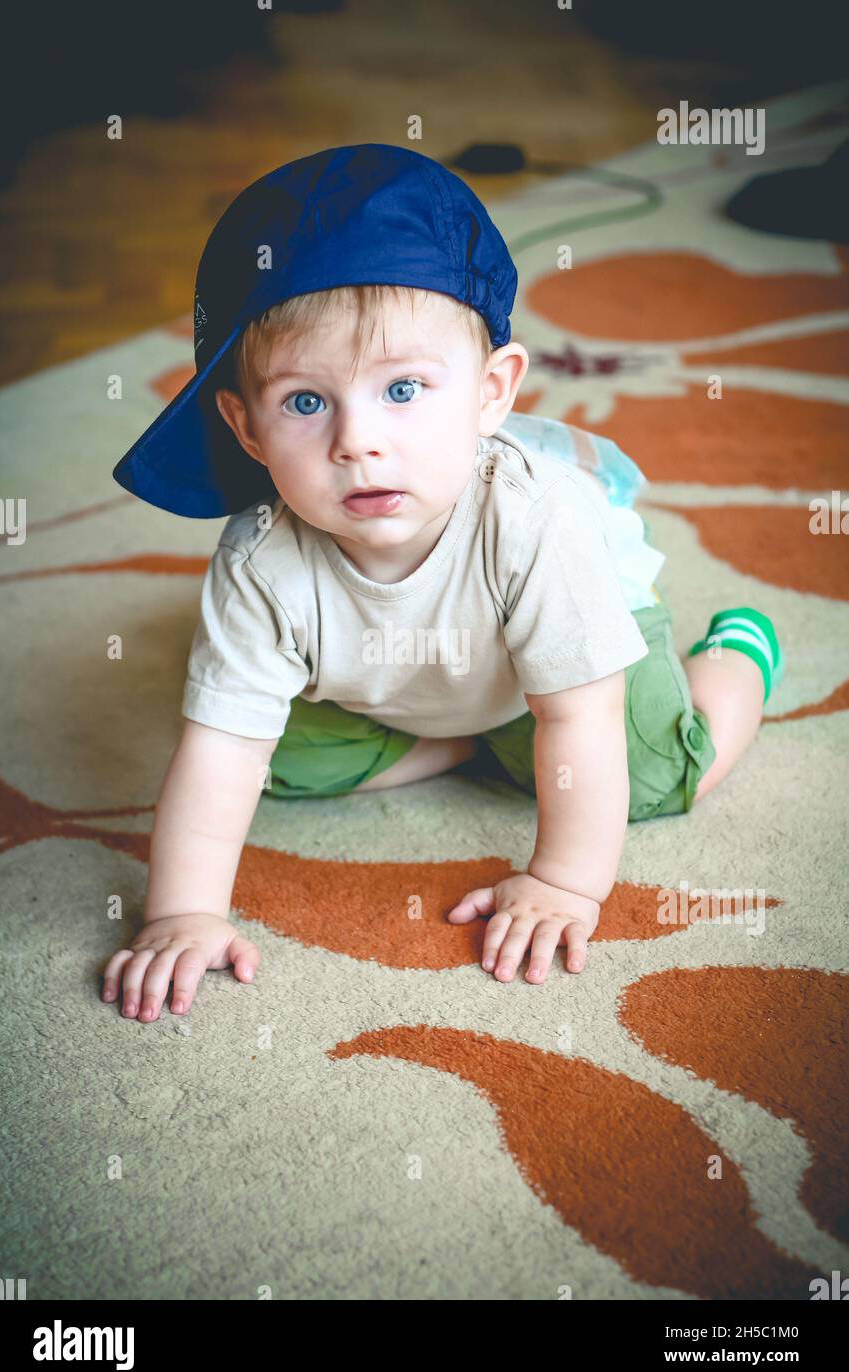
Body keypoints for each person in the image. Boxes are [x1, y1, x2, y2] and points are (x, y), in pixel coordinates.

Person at [102, 143, 784, 1021]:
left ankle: (737, 653)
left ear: (492, 392)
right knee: (278, 761)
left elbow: (580, 715)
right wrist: (184, 913)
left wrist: (564, 884)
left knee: (653, 775)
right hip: (413, 685)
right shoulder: (260, 560)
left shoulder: (535, 521)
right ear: (244, 425)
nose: (358, 442)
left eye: (405, 389)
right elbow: (221, 750)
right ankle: (477, 746)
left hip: (569, 663)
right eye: (306, 403)